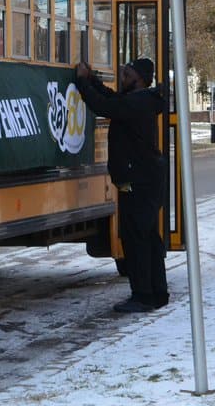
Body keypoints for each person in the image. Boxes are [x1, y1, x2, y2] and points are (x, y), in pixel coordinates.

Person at [74, 57, 169, 313]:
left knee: (135, 238)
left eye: (126, 74)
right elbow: (113, 99)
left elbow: (104, 106)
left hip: (138, 180)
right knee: (148, 236)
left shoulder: (137, 102)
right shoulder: (142, 100)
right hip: (145, 177)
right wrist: (92, 80)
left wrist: (83, 82)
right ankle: (158, 292)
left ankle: (143, 295)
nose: (122, 77)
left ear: (138, 78)